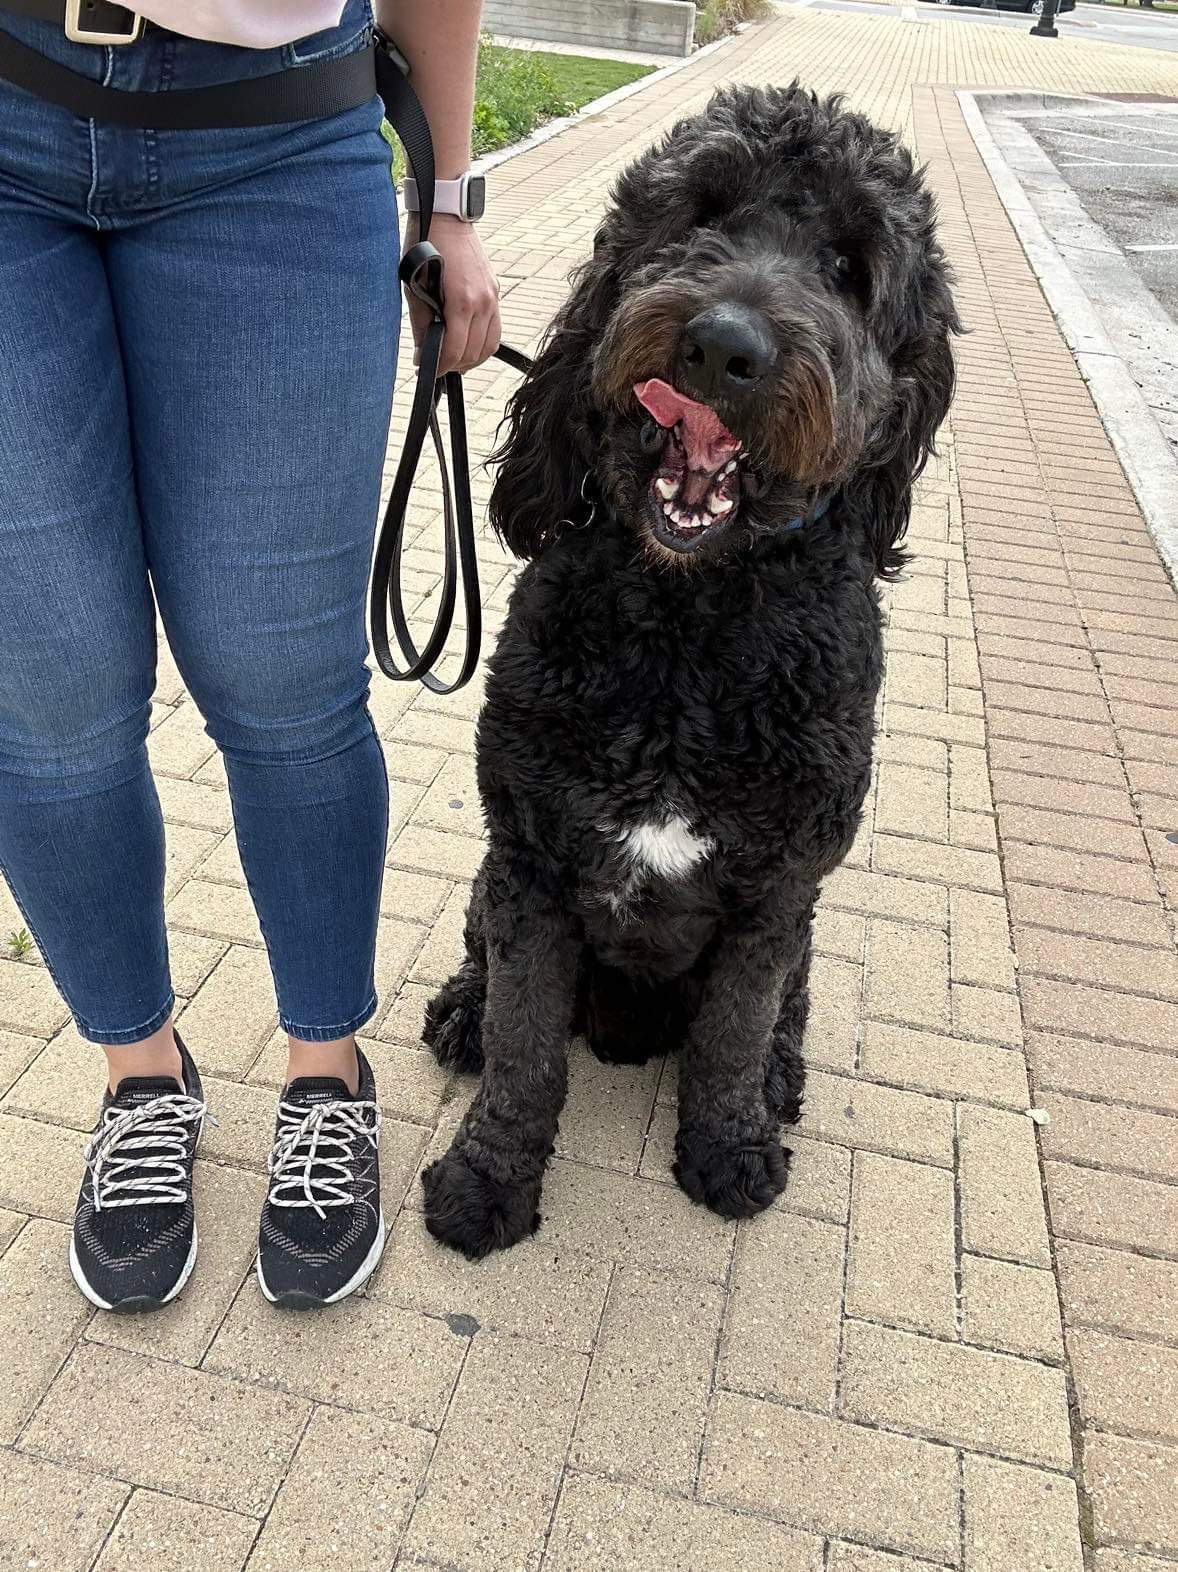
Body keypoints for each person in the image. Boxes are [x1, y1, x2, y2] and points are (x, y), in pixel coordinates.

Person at [0, 0, 500, 1310]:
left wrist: (449, 203)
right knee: (48, 705)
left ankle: (327, 1072)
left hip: (274, 143)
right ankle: (142, 1074)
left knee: (284, 689)